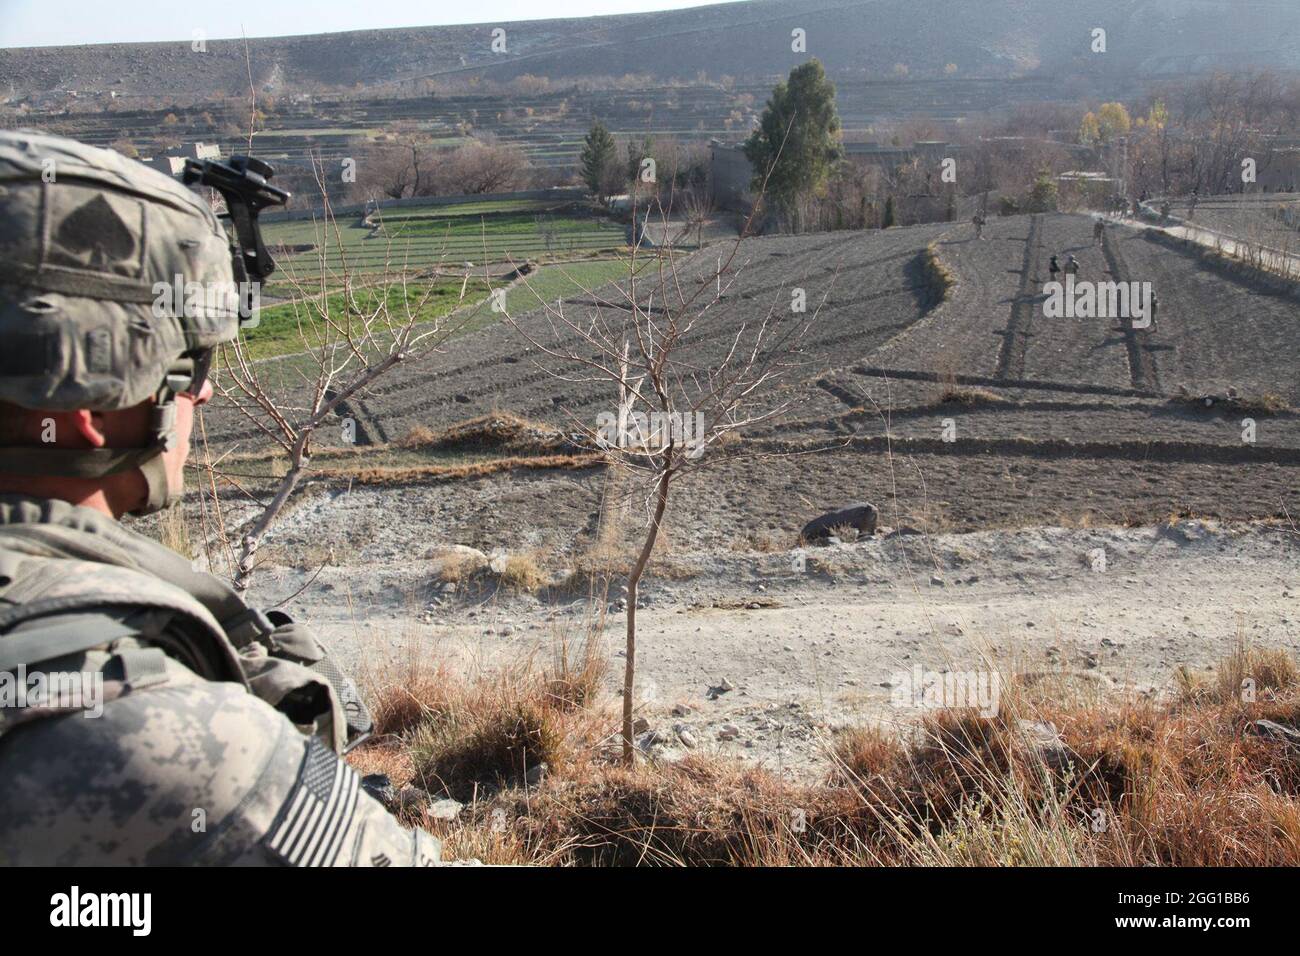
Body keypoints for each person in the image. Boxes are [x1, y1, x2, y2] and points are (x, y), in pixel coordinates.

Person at [0, 130, 441, 866]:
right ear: (90, 405)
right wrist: (261, 750)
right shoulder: (172, 746)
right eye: (191, 365)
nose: (205, 391)